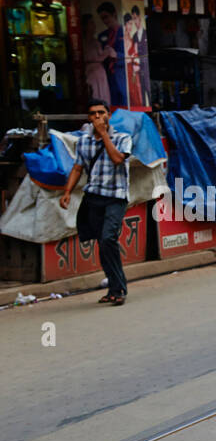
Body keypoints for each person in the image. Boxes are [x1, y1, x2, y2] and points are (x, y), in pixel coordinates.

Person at [59, 98, 133, 305]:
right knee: (103, 243)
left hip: (116, 197)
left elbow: (118, 159)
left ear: (108, 115)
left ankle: (118, 288)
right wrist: (66, 192)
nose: (97, 117)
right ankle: (115, 288)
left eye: (101, 113)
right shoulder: (83, 141)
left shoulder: (123, 138)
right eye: (93, 114)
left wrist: (103, 135)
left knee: (109, 238)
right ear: (89, 118)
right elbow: (77, 168)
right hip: (93, 197)